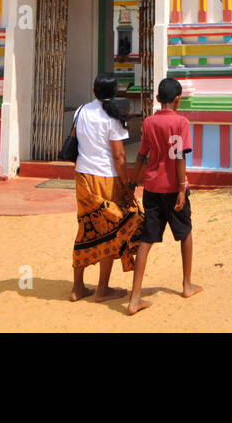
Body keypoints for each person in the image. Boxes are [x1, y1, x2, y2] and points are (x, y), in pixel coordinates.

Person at [126, 77, 200, 315]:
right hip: (172, 188)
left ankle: (135, 297)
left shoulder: (148, 123)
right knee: (185, 232)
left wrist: (131, 182)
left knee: (146, 241)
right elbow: (179, 157)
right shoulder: (181, 123)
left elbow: (140, 156)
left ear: (158, 99)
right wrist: (181, 187)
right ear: (178, 100)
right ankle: (187, 284)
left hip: (152, 188)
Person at [70, 75, 141, 303]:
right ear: (117, 91)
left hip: (83, 176)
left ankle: (77, 287)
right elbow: (119, 156)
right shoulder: (114, 116)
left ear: (93, 90)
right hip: (107, 177)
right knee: (110, 232)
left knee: (85, 228)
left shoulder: (80, 111)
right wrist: (127, 185)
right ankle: (102, 288)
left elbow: (74, 140)